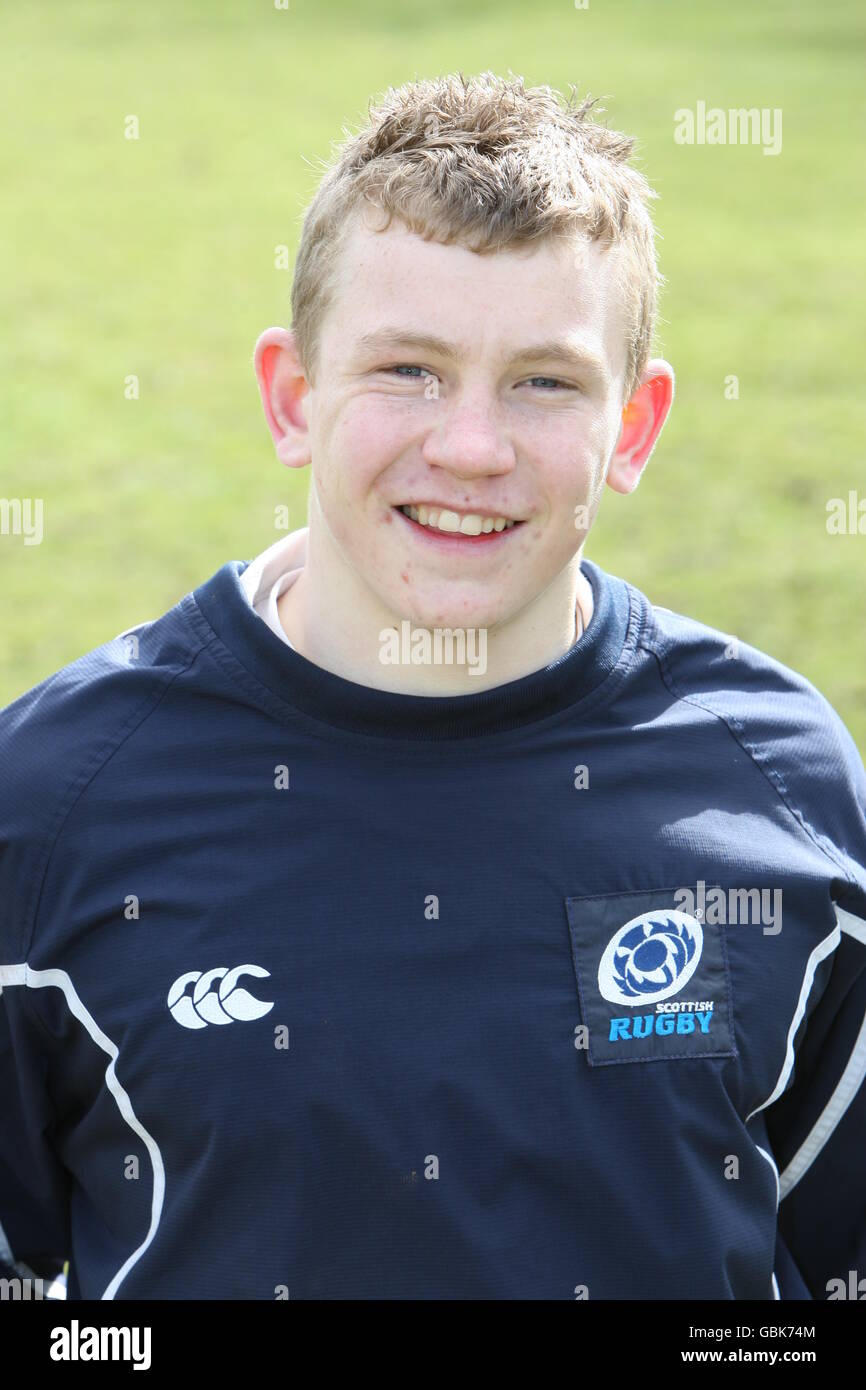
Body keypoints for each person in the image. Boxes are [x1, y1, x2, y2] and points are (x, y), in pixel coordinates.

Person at [1, 70, 864, 1301]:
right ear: (292, 398)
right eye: (406, 370)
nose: (469, 446)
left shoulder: (773, 781)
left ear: (633, 429)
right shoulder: (54, 799)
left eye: (544, 380)